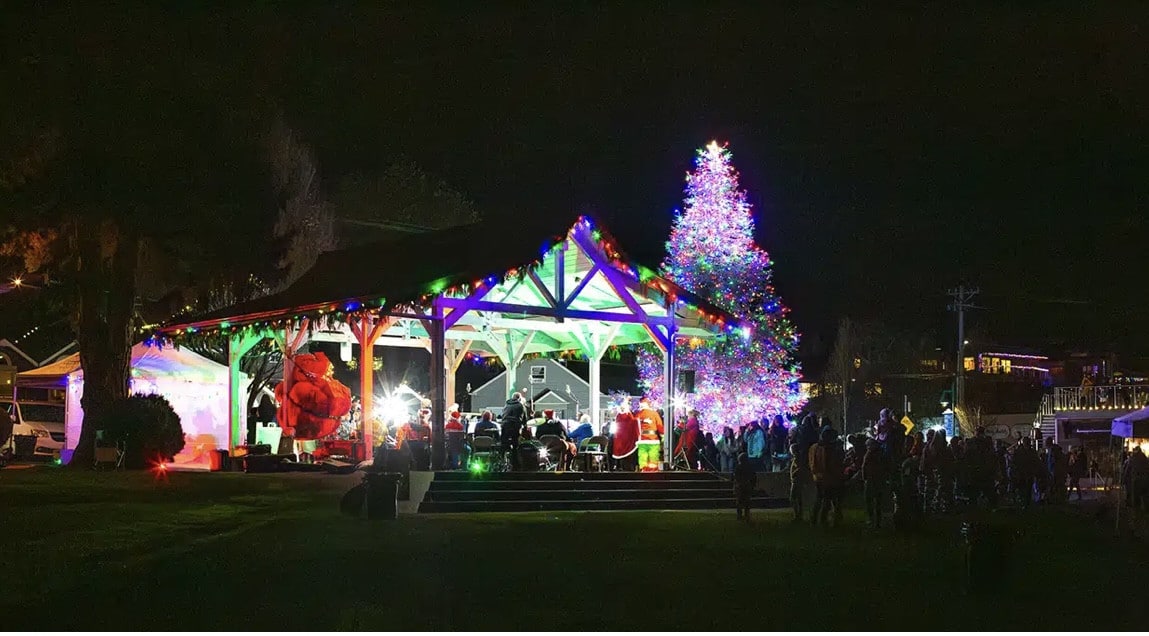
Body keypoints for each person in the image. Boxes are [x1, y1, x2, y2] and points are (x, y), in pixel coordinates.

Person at [808, 426, 845, 527]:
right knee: (827, 499)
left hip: (817, 476)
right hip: (828, 477)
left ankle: (815, 519)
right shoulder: (828, 449)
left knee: (819, 498)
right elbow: (829, 464)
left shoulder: (814, 447)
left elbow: (811, 462)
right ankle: (823, 520)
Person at [788, 414, 819, 522]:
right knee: (810, 493)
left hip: (801, 468)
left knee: (795, 495)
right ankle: (810, 514)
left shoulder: (800, 435)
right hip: (810, 466)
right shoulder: (815, 435)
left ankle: (798, 514)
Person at [862, 438, 889, 528]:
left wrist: (864, 477)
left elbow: (864, 466)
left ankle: (871, 518)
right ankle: (878, 520)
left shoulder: (869, 454)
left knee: (869, 499)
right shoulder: (882, 454)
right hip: (880, 479)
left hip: (871, 479)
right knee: (878, 500)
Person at [635, 397, 664, 471]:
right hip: (653, 439)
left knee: (642, 457)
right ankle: (653, 472)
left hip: (642, 440)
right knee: (653, 457)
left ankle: (643, 471)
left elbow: (635, 426)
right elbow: (660, 426)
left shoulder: (638, 414)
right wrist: (662, 436)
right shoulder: (654, 414)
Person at [500, 392, 527, 469]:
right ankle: (515, 464)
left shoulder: (506, 405)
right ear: (519, 398)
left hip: (505, 426)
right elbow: (524, 419)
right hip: (515, 426)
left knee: (504, 444)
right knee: (515, 445)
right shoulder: (520, 405)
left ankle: (502, 460)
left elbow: (503, 416)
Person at [611, 402, 640, 472]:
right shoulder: (629, 416)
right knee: (629, 460)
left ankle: (620, 468)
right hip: (629, 442)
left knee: (622, 461)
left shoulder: (618, 416)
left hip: (620, 442)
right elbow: (634, 423)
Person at [733, 452, 757, 521]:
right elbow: (754, 477)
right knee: (747, 501)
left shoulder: (738, 467)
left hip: (740, 486)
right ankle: (747, 515)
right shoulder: (750, 467)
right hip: (747, 485)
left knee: (739, 502)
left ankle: (739, 515)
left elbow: (735, 477)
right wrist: (753, 485)